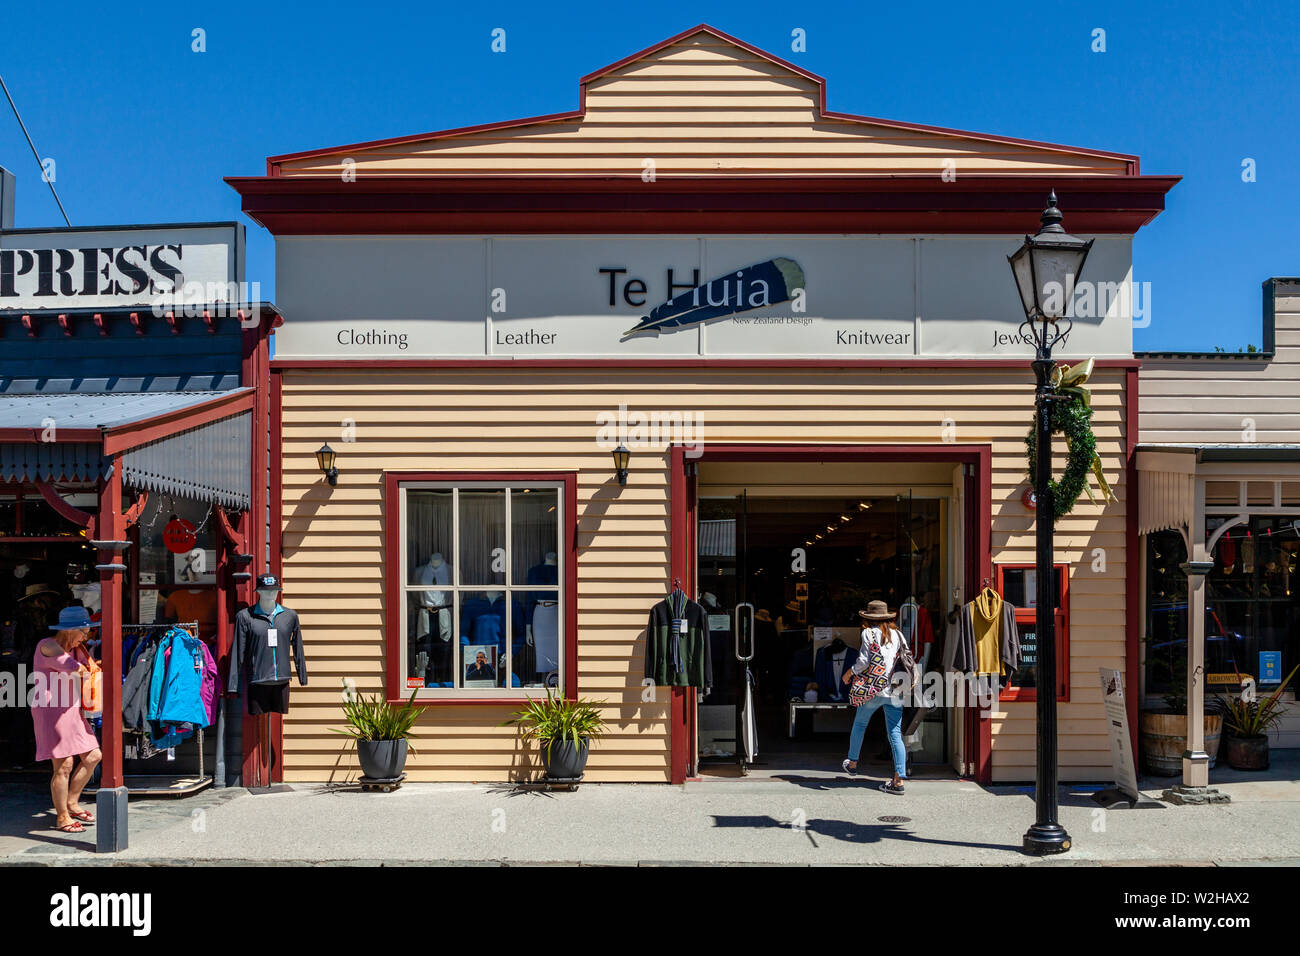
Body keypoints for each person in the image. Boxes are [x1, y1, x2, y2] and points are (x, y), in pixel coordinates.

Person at [31, 607, 103, 833]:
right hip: (51, 710)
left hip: (71, 709)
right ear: (71, 630)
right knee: (64, 765)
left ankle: (72, 802)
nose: (87, 637)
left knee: (93, 756)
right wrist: (92, 667)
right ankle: (62, 817)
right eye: (85, 632)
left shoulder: (76, 648)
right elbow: (75, 669)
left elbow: (87, 670)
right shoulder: (48, 645)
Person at [841, 600, 908, 795]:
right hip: (896, 690)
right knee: (895, 733)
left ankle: (852, 763)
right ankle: (898, 779)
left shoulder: (868, 634)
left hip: (874, 690)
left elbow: (863, 662)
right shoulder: (898, 635)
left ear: (868, 620)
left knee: (860, 724)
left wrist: (849, 673)